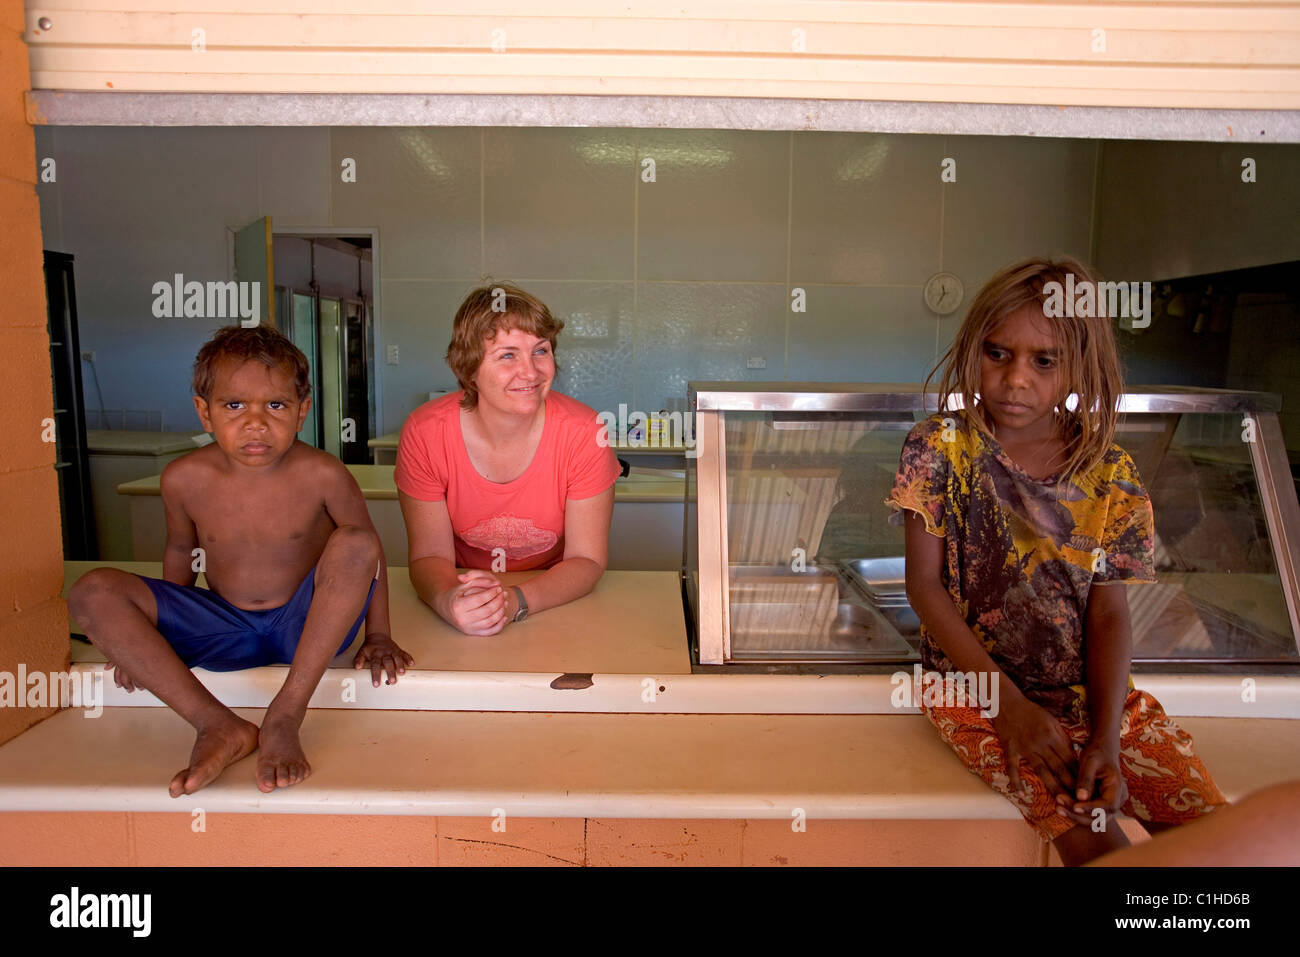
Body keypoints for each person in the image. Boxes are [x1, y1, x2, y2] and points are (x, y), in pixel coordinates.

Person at [885, 256, 1228, 866]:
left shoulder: (1110, 471)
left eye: (1044, 361)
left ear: (1081, 364)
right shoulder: (939, 446)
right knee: (1097, 845)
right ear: (973, 351)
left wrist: (1104, 740)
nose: (1017, 379)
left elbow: (1108, 614)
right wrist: (1010, 710)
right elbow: (924, 589)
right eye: (998, 354)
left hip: (1094, 699)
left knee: (1224, 845)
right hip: (974, 694)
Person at [67, 325, 412, 796]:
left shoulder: (322, 473)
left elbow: (367, 554)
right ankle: (217, 726)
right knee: (92, 591)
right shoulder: (183, 478)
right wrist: (154, 637)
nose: (255, 423)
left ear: (302, 411)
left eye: (275, 405)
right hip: (222, 626)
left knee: (354, 540)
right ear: (203, 412)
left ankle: (286, 713)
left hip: (307, 628)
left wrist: (378, 634)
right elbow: (180, 551)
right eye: (234, 405)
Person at [395, 283, 620, 635]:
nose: (531, 372)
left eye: (540, 351)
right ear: (468, 369)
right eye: (507, 355)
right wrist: (449, 600)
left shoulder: (585, 431)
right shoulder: (425, 432)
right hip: (465, 593)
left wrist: (514, 602)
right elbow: (429, 557)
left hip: (550, 602)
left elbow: (586, 560)